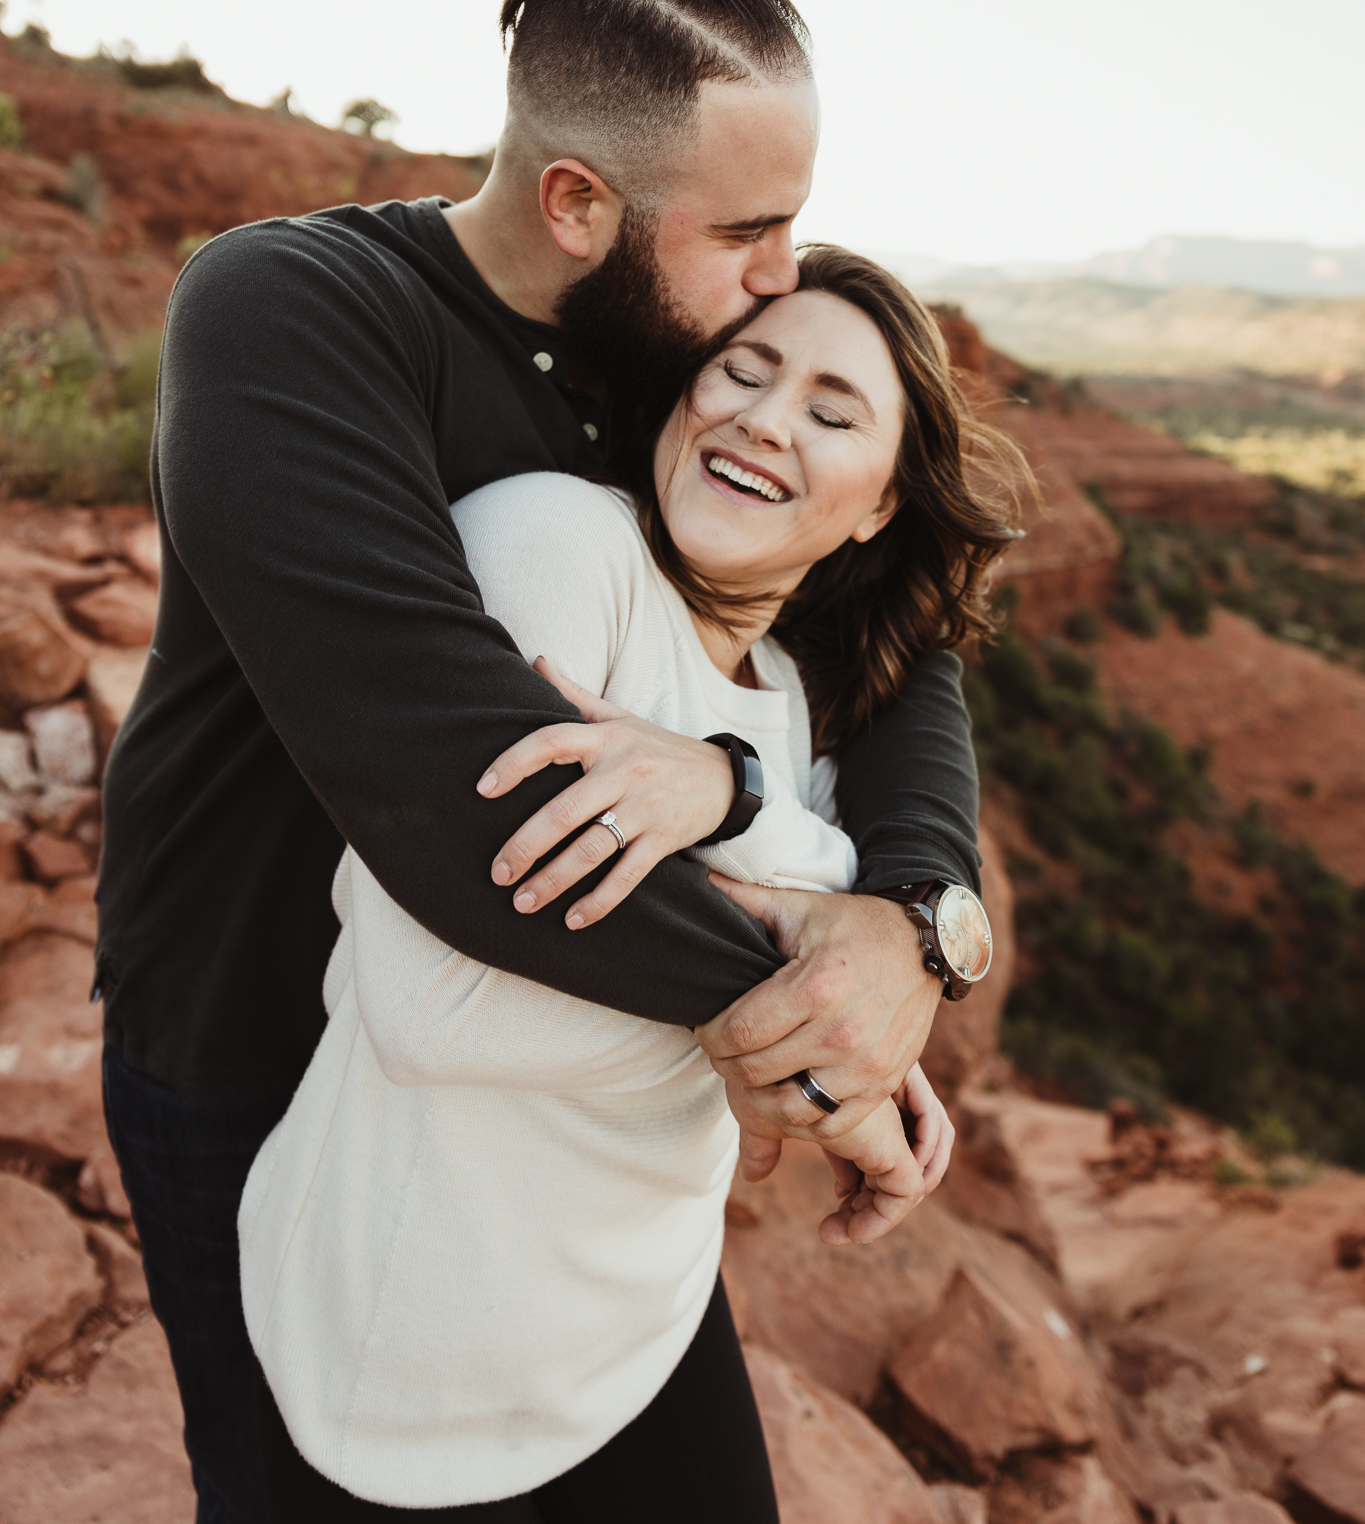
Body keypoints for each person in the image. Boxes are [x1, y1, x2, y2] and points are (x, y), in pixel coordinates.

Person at [96, 0, 985, 1522]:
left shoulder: (669, 347)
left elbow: (893, 636)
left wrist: (914, 916)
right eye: (750, 232)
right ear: (581, 200)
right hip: (252, 1040)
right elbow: (464, 795)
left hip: (566, 1096)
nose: (773, 284)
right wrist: (824, 1044)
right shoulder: (291, 315)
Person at [239, 247, 1015, 1519]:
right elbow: (440, 1006)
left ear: (881, 501)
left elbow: (830, 919)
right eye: (742, 370)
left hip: (642, 1314)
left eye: (831, 410)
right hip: (408, 1347)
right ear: (680, 395)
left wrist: (739, 809)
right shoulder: (556, 543)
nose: (766, 417)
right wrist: (817, 1059)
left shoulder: (800, 698)